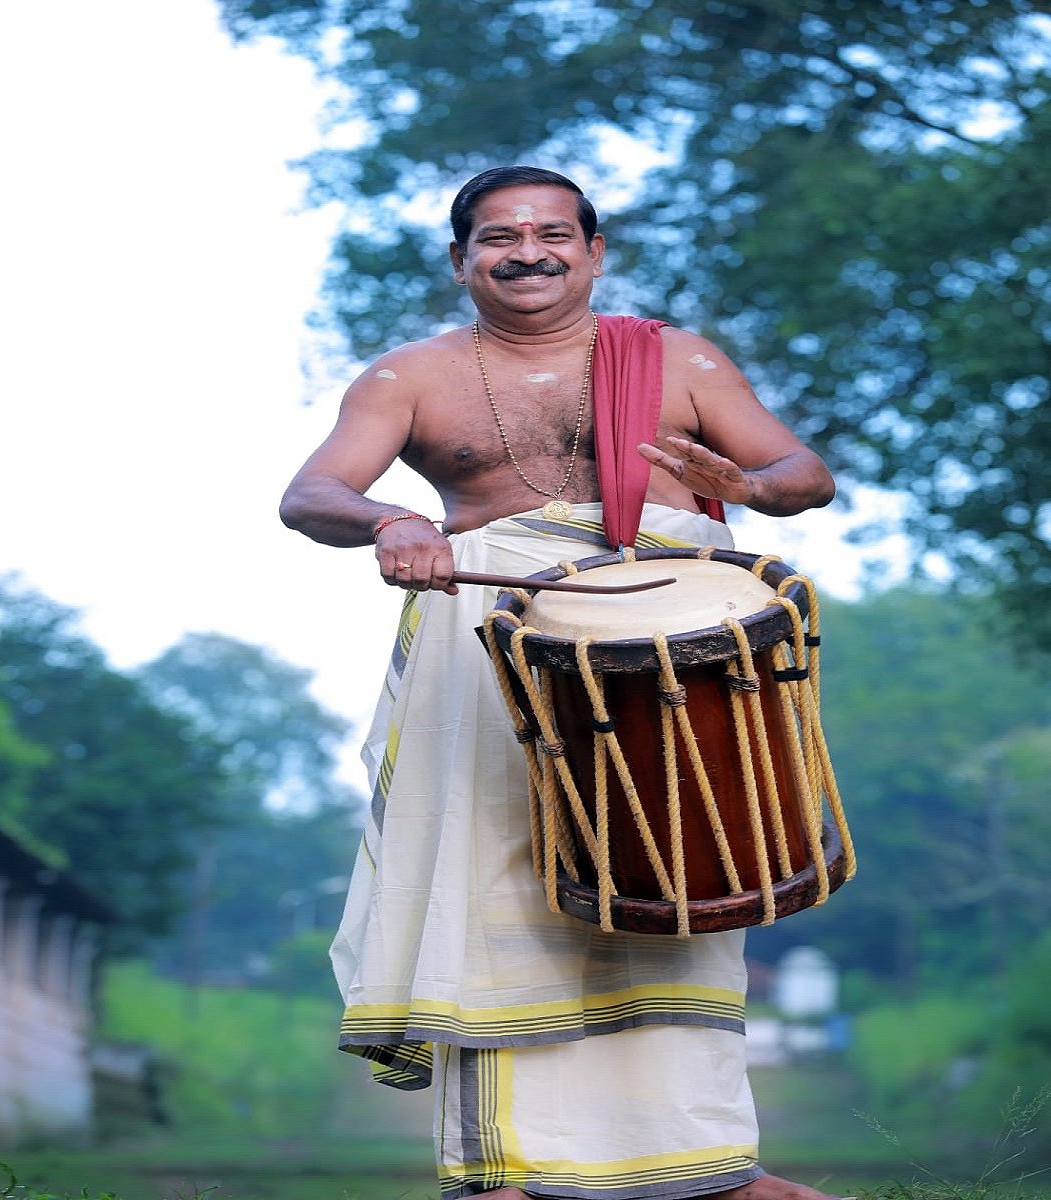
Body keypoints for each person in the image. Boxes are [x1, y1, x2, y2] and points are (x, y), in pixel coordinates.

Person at [280, 166, 845, 1200]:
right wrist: (394, 520)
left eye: (552, 233)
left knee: (668, 879)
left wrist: (749, 488)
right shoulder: (406, 378)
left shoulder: (678, 359)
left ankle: (708, 1167)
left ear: (593, 252)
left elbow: (801, 473)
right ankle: (508, 1168)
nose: (526, 251)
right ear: (460, 262)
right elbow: (312, 491)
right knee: (489, 888)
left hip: (669, 646)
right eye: (497, 237)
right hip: (489, 644)